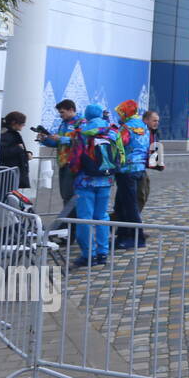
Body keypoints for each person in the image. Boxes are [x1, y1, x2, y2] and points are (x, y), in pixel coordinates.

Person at [67, 104, 120, 268]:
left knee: (85, 218)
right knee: (102, 216)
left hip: (85, 181)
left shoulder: (82, 133)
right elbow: (120, 154)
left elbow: (75, 159)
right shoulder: (112, 132)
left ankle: (88, 254)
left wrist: (74, 172)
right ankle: (103, 253)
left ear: (87, 116)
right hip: (106, 180)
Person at [112, 100, 149, 249]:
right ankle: (122, 236)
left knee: (129, 206)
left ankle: (137, 238)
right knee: (121, 204)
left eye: (120, 113)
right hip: (139, 167)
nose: (119, 116)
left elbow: (120, 145)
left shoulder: (126, 128)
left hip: (126, 169)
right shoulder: (142, 126)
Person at [35, 99, 81, 209]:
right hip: (63, 163)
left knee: (71, 195)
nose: (60, 115)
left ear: (71, 110)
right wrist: (45, 139)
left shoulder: (81, 122)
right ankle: (67, 221)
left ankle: (71, 223)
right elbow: (58, 143)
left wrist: (62, 139)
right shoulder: (63, 124)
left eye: (62, 112)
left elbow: (81, 141)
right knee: (65, 194)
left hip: (74, 164)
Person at [137, 109, 163, 212]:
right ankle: (133, 222)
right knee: (140, 196)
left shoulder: (154, 133)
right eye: (154, 120)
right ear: (145, 120)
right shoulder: (140, 132)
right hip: (134, 168)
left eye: (157, 121)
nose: (157, 123)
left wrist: (157, 164)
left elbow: (153, 150)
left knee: (144, 193)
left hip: (141, 168)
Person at [0, 111, 32, 189]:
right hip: (9, 175)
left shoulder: (12, 133)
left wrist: (26, 153)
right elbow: (2, 152)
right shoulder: (6, 134)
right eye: (22, 122)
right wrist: (19, 149)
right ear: (14, 122)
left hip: (13, 173)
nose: (24, 125)